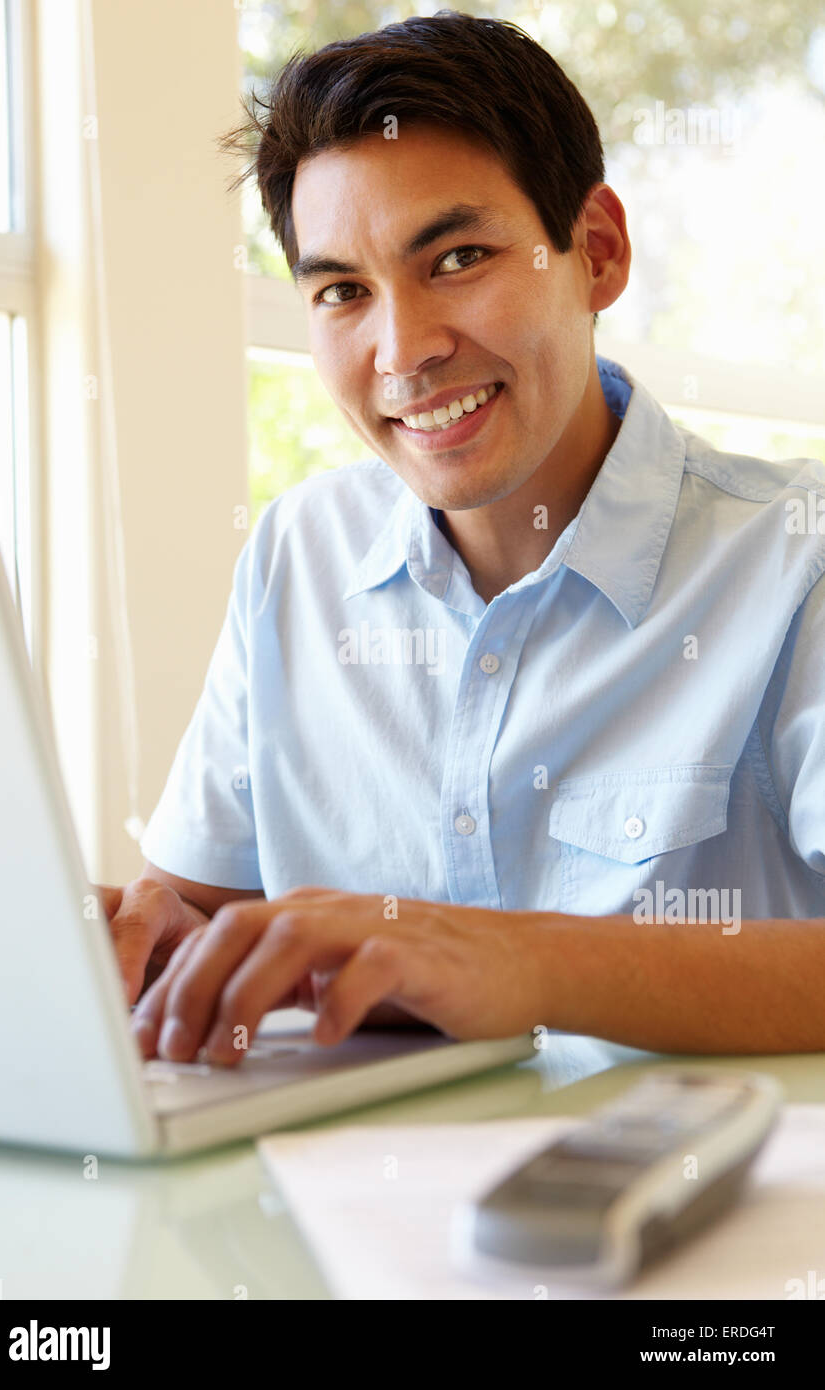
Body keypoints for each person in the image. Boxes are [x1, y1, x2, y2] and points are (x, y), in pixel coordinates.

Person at [104, 12, 825, 1064]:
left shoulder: (792, 560)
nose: (404, 351)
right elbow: (197, 906)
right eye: (342, 290)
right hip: (333, 1208)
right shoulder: (295, 557)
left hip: (695, 1215)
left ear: (597, 250)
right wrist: (146, 940)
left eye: (455, 257)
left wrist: (511, 961)